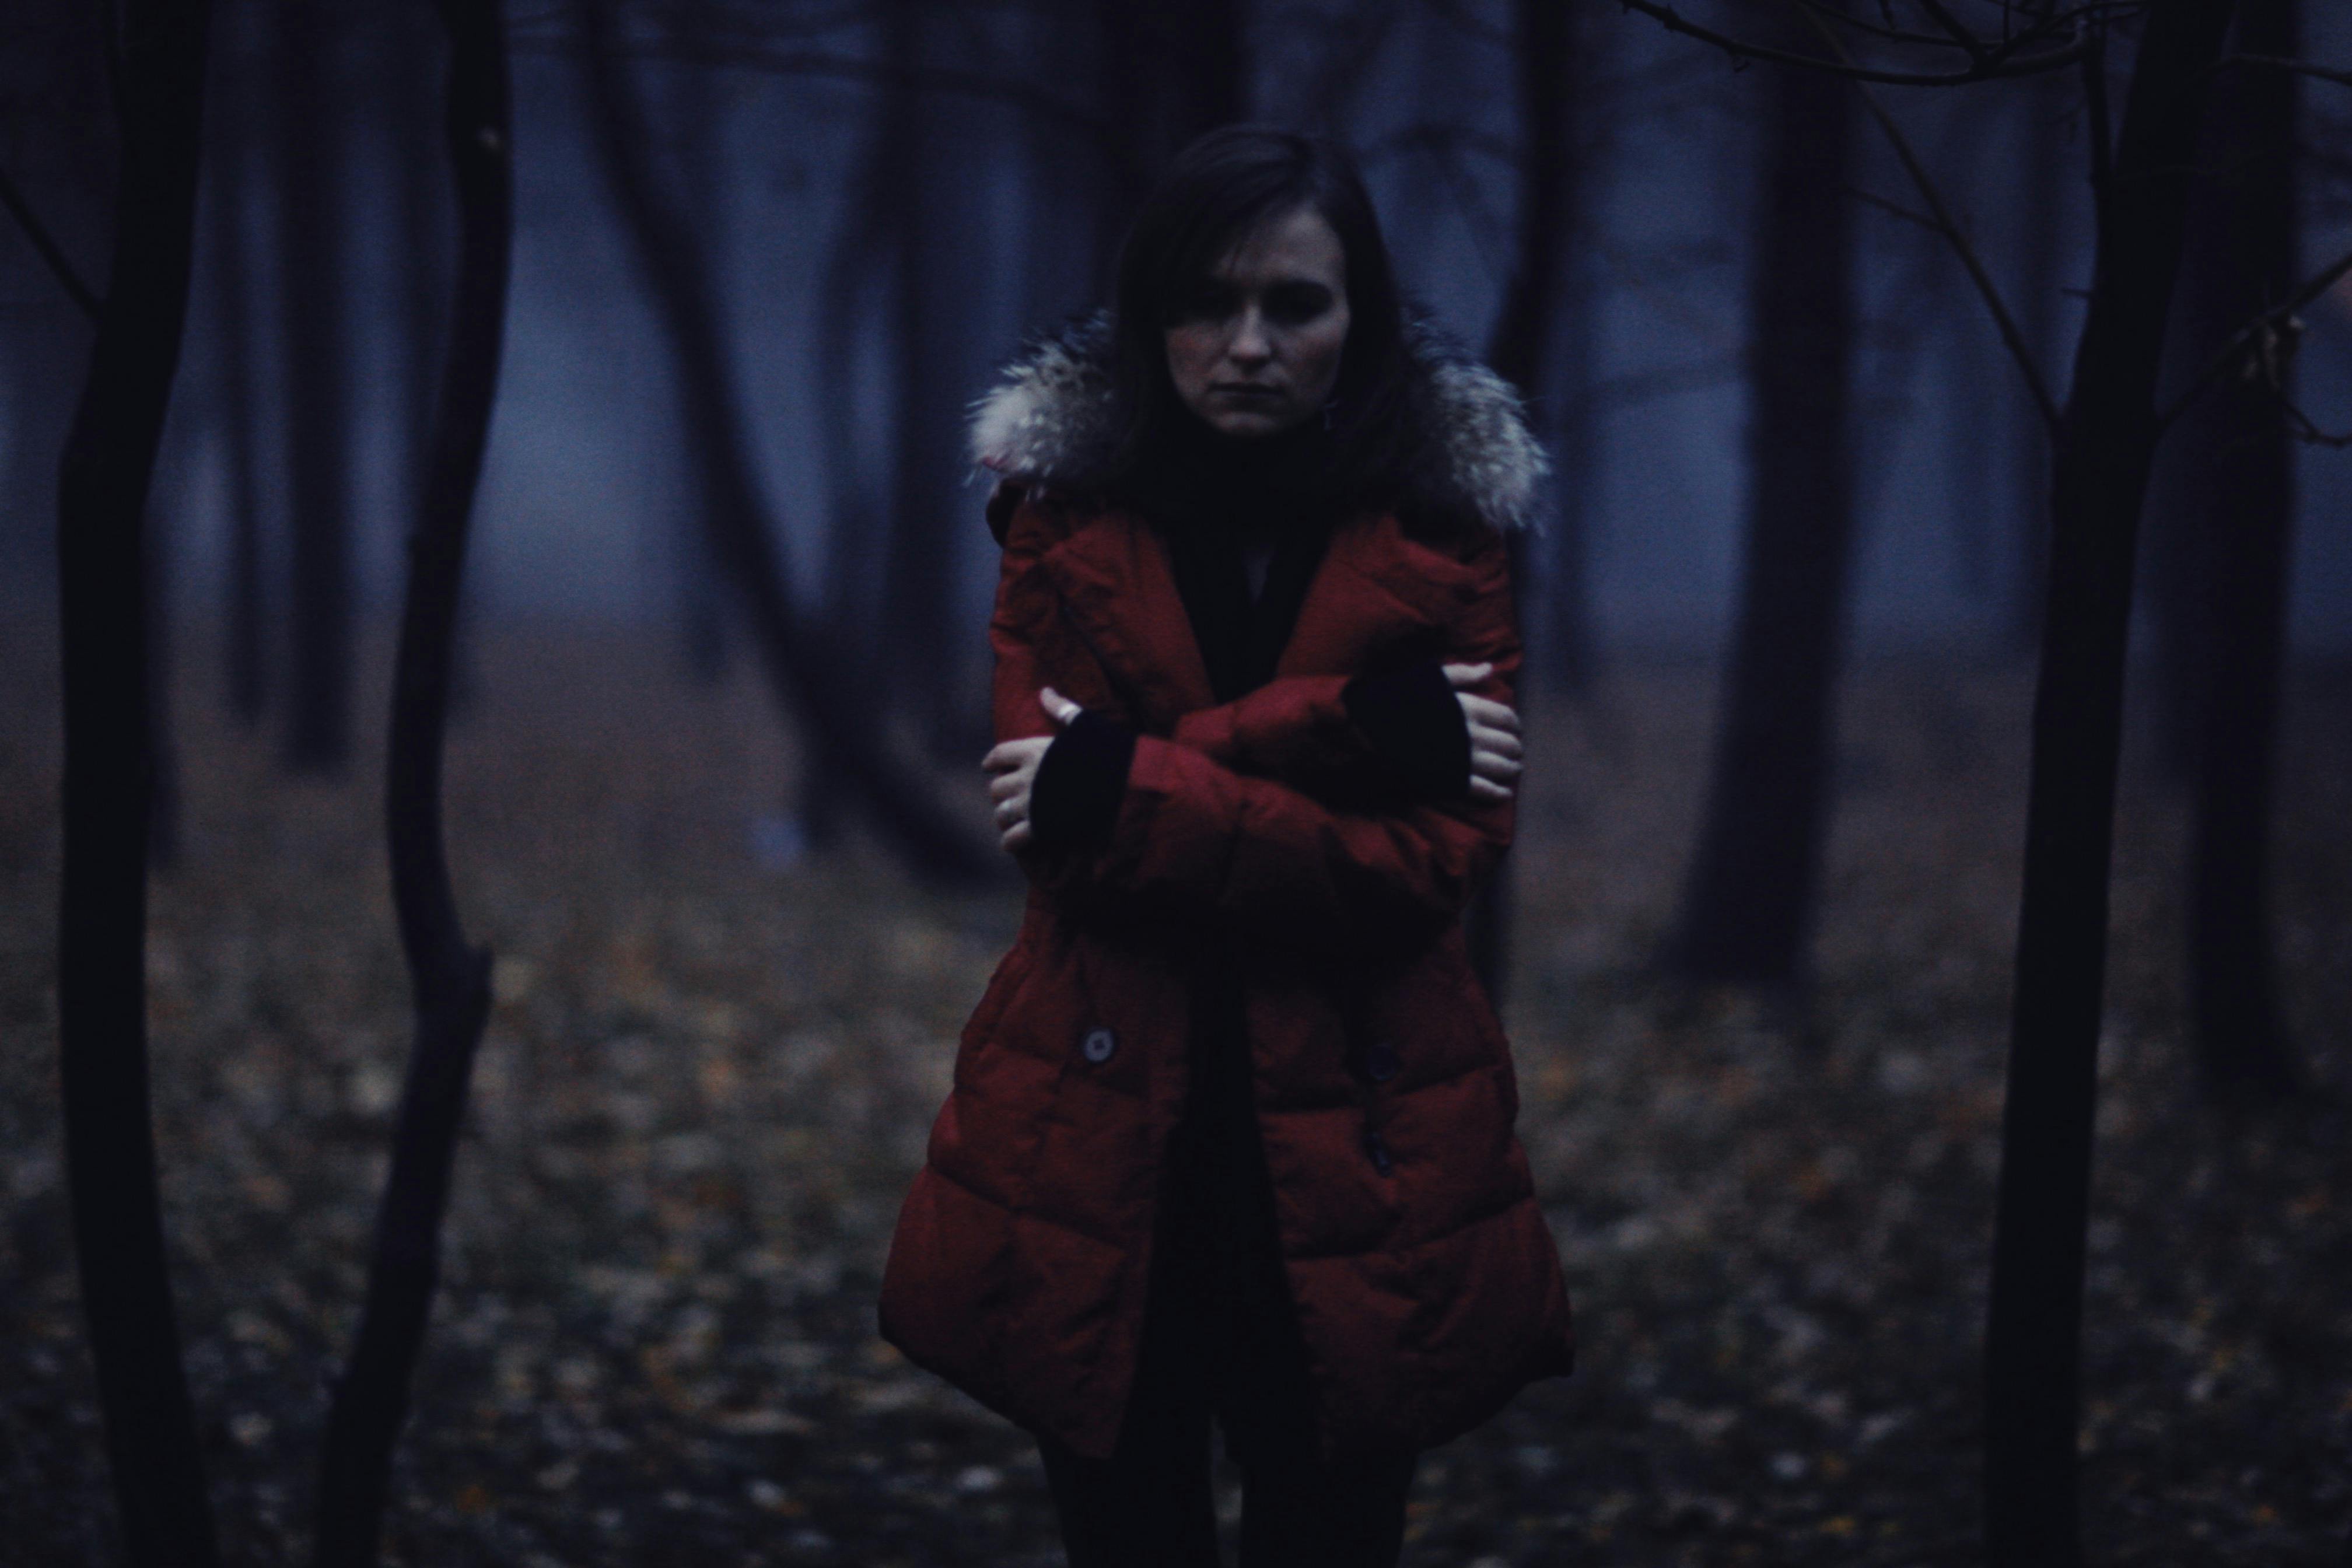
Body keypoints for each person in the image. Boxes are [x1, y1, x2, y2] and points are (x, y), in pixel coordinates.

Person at [878, 126, 1573, 1567]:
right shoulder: (1059, 523)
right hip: (1102, 1142)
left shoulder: (1447, 535)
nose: (1247, 344)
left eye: (1295, 306)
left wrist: (1129, 771)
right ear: (1152, 321)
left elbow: (1422, 870)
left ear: (1357, 321)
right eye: (1207, 303)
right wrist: (1340, 724)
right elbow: (1053, 834)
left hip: (1364, 1154)